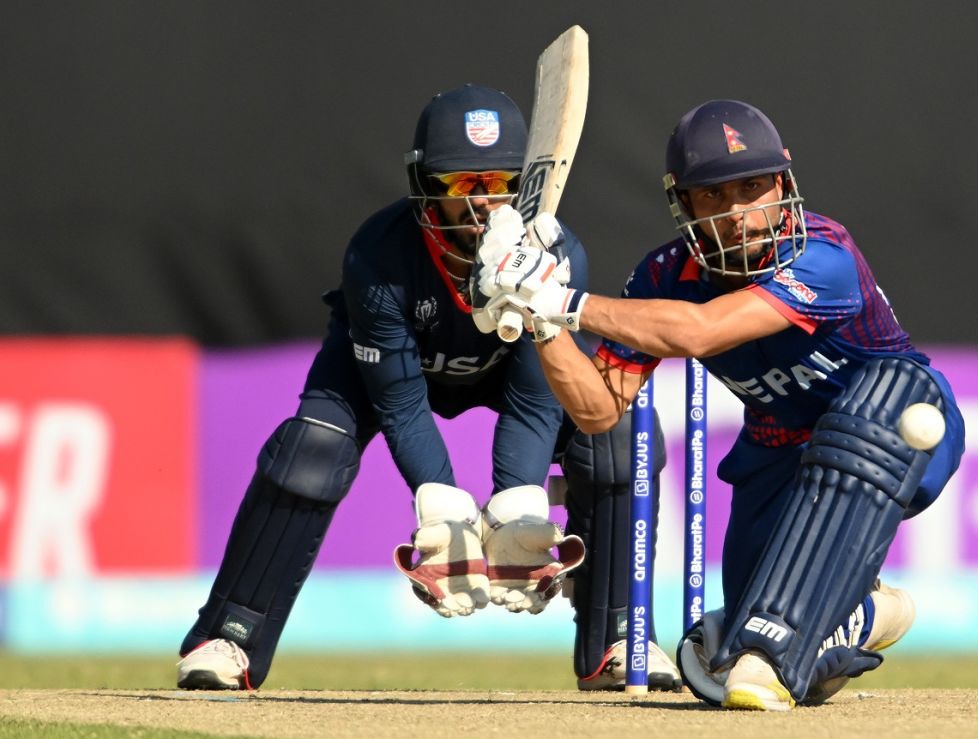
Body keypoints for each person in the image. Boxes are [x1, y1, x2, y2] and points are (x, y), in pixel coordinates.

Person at [175, 84, 680, 692]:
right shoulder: (378, 254)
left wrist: (517, 504)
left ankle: (620, 639)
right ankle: (227, 637)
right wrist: (442, 504)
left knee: (621, 438)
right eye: (462, 186)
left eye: (498, 184)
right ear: (423, 188)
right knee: (311, 451)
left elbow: (532, 398)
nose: (483, 208)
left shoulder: (557, 253)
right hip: (390, 370)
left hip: (508, 373)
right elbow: (400, 398)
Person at [473, 99, 966, 711]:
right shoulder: (664, 274)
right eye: (712, 196)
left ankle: (796, 633)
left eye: (752, 188)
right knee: (745, 650)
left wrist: (560, 297)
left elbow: (701, 332)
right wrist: (540, 322)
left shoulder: (824, 254)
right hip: (781, 449)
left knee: (773, 638)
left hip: (900, 421)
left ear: (783, 184)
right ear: (683, 204)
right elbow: (597, 410)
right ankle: (865, 614)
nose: (737, 213)